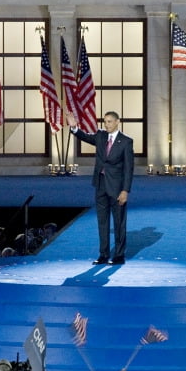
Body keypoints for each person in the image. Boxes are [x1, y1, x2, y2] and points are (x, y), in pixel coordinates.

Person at [66, 109, 134, 265]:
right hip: (100, 185)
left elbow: (128, 169)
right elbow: (84, 136)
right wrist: (74, 127)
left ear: (117, 122)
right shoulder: (100, 136)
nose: (107, 124)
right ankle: (103, 254)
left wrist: (125, 190)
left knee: (118, 222)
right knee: (102, 222)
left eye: (110, 121)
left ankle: (119, 255)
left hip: (117, 188)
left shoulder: (126, 141)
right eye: (105, 121)